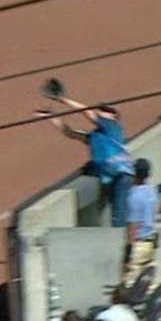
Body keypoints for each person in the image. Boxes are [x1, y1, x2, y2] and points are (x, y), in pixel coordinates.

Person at [41, 93, 134, 228]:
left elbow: (86, 112)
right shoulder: (96, 135)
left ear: (114, 116)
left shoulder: (113, 126)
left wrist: (62, 99)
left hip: (122, 174)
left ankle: (123, 241)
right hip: (109, 176)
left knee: (118, 214)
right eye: (101, 109)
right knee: (112, 213)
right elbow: (70, 133)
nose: (101, 111)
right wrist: (51, 117)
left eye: (106, 110)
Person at [123, 158, 159, 286]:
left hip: (139, 244)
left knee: (130, 284)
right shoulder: (152, 192)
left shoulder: (134, 197)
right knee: (147, 284)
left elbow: (133, 225)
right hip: (151, 241)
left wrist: (128, 250)